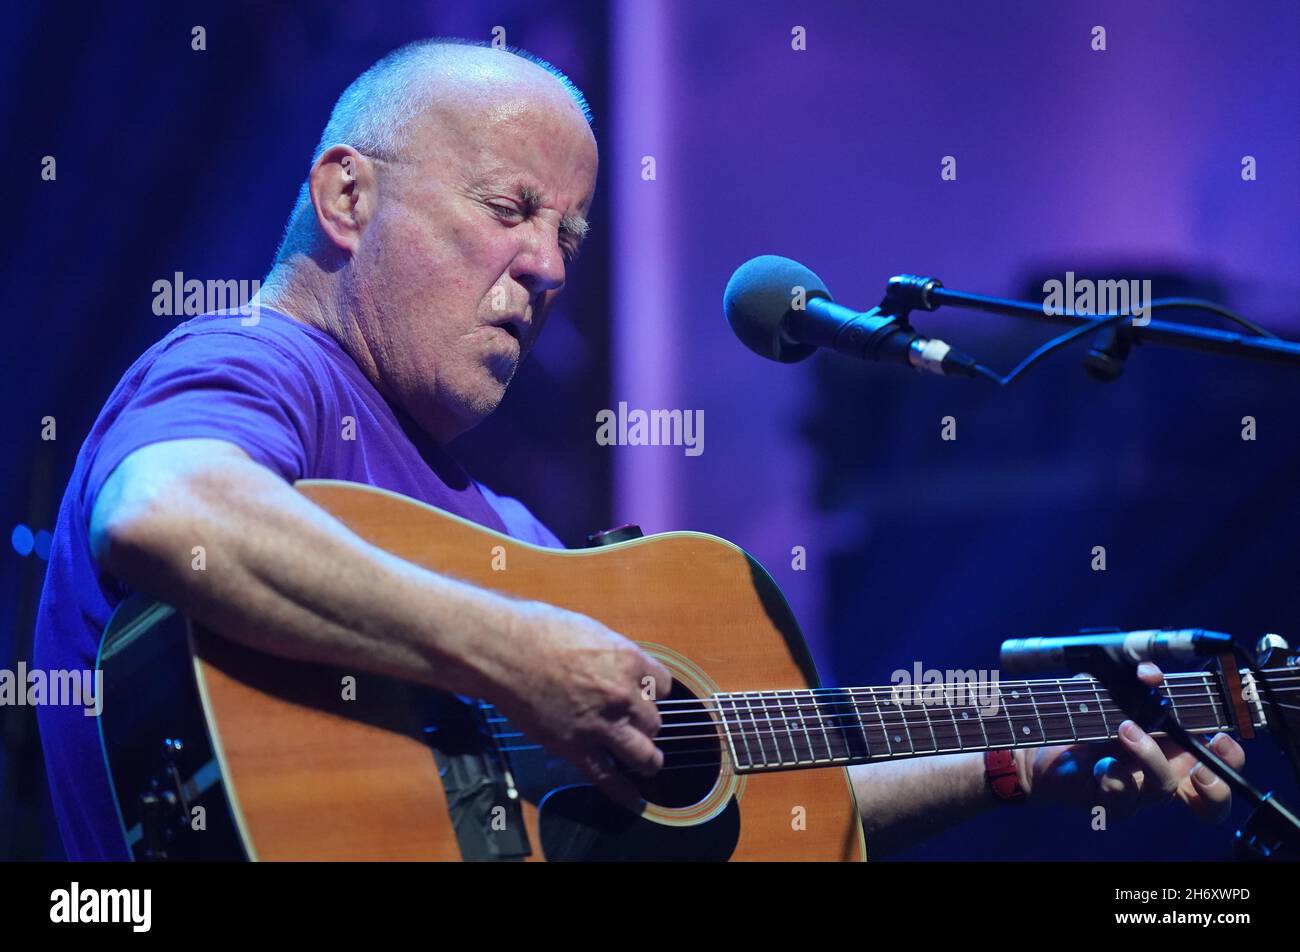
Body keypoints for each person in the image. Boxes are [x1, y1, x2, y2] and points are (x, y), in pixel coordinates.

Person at [33, 38, 1244, 861]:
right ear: (348, 198)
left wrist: (1017, 754)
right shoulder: (261, 367)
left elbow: (765, 792)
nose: (550, 265)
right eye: (510, 211)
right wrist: (511, 651)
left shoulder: (499, 536)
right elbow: (162, 511)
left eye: (568, 234)